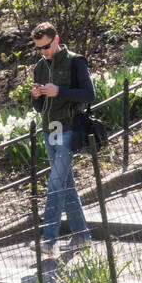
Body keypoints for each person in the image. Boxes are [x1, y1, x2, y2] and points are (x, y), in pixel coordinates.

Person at [29, 22, 95, 258]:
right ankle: (83, 237)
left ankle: (48, 240)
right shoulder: (39, 66)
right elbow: (39, 107)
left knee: (56, 184)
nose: (44, 51)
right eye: (40, 48)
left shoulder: (76, 61)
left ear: (56, 39)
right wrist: (36, 96)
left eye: (46, 46)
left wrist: (60, 91)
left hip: (68, 129)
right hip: (50, 130)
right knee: (66, 185)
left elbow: (89, 94)